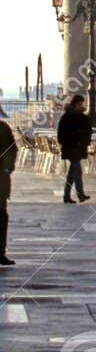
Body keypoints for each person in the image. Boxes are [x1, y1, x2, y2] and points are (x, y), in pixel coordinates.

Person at [57, 94, 93, 203]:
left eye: (82, 104)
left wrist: (84, 141)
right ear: (74, 104)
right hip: (71, 147)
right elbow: (62, 133)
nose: (81, 106)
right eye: (79, 104)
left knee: (72, 174)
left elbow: (87, 131)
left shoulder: (82, 117)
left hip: (78, 148)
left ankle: (66, 196)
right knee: (77, 172)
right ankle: (80, 195)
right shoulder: (67, 117)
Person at [0, 109, 17, 265]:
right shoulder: (3, 128)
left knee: (1, 216)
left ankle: (0, 251)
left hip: (1, 179)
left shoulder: (3, 128)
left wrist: (7, 168)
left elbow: (12, 149)